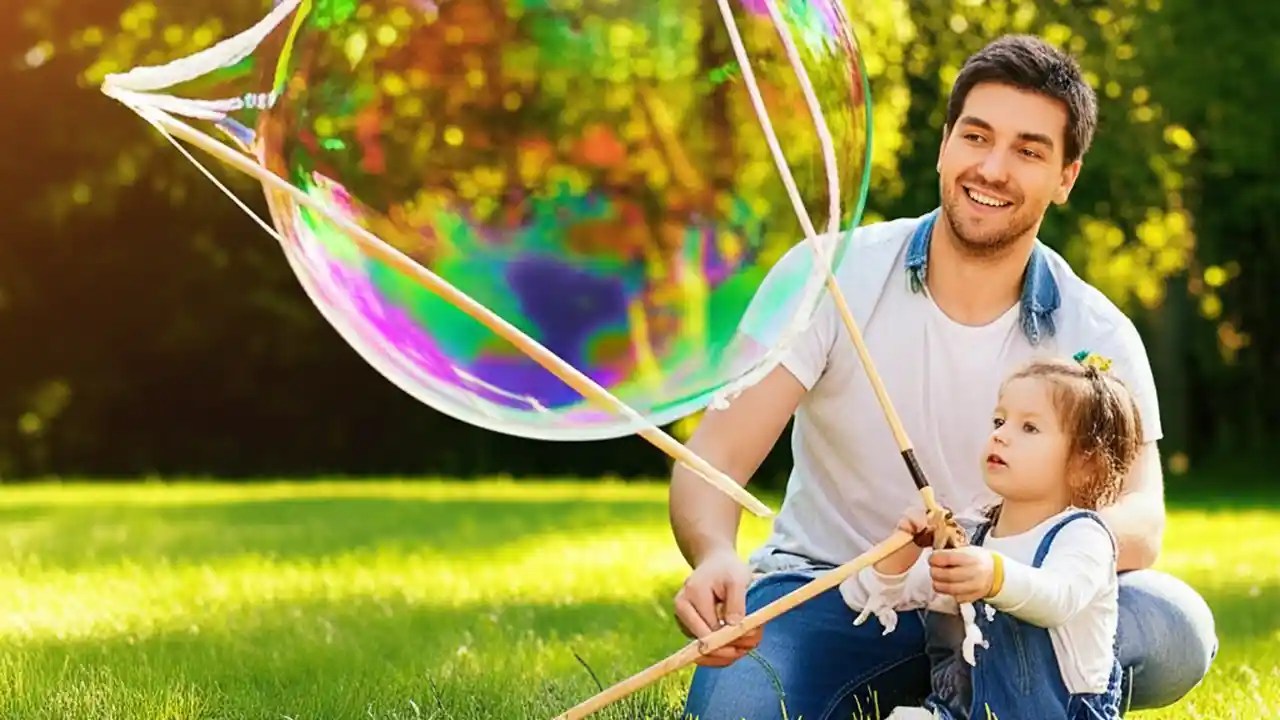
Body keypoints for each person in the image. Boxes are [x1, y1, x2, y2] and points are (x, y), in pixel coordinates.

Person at [668, 34, 1218, 720]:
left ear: (1066, 177)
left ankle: (963, 695)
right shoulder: (830, 272)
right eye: (976, 136)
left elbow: (1141, 518)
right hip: (836, 597)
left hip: (1009, 613)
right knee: (733, 710)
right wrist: (714, 552)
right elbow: (713, 458)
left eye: (1028, 150)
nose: (992, 168)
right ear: (945, 143)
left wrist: (1006, 569)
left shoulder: (1097, 332)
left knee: (1175, 625)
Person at [843, 353, 1142, 720]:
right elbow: (861, 599)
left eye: (1029, 427)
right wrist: (900, 553)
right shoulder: (969, 536)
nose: (1000, 435)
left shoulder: (1083, 536)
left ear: (1084, 465)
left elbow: (1058, 598)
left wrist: (993, 577)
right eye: (999, 421)